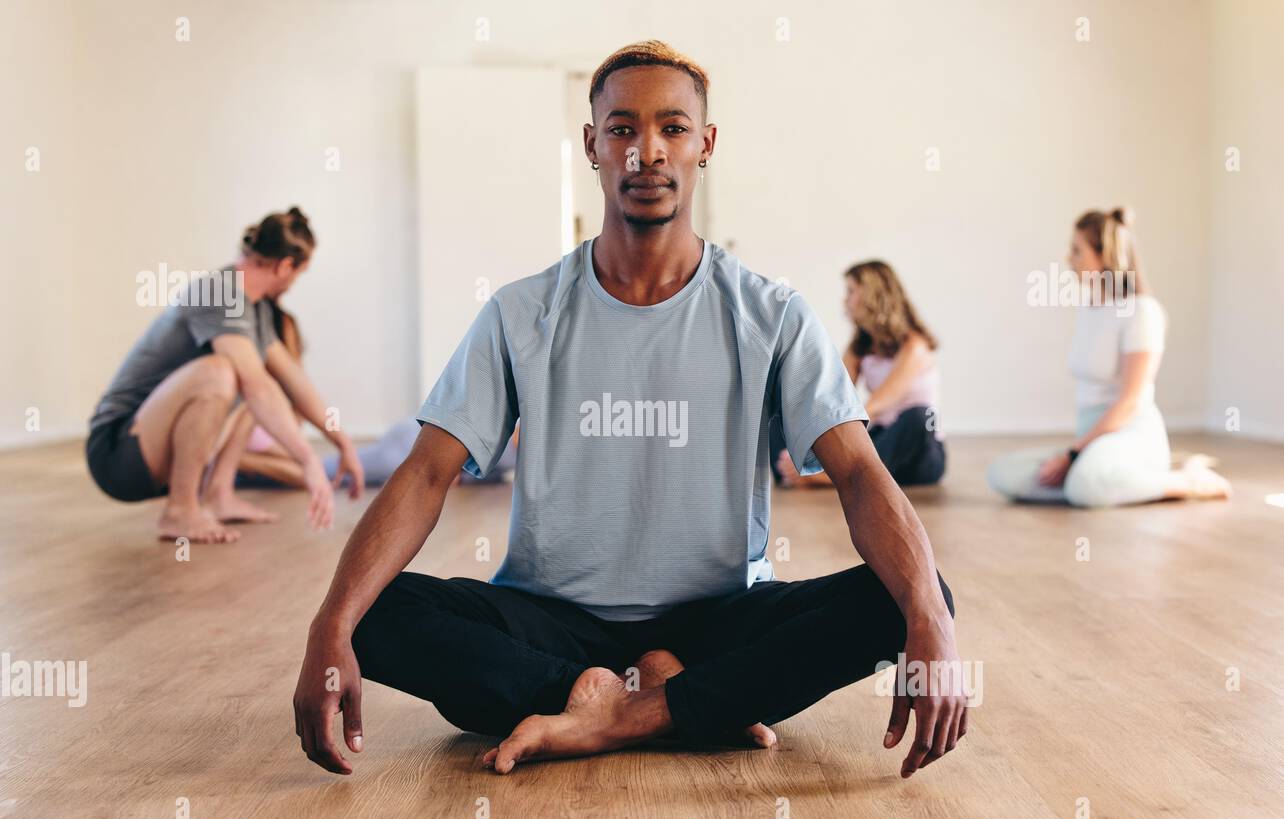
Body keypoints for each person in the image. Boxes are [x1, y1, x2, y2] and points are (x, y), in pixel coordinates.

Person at [293, 40, 969, 780]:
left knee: (911, 593)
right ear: (593, 144)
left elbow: (861, 476)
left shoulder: (770, 313)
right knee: (374, 611)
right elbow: (425, 476)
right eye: (622, 129)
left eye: (673, 128)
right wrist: (330, 626)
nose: (648, 151)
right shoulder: (523, 312)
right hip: (550, 627)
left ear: (704, 145)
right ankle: (657, 703)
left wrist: (926, 617)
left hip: (713, 624)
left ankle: (616, 713)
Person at [86, 207, 364, 543]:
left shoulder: (255, 307)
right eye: (298, 274)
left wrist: (342, 442)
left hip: (150, 448)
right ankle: (180, 511)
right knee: (221, 373)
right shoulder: (220, 292)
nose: (293, 284)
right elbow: (255, 385)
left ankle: (220, 494)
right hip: (118, 454)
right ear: (285, 265)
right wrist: (307, 460)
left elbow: (292, 379)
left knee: (260, 379)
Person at [987, 208, 1231, 507]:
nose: (1069, 259)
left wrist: (1073, 454)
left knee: (1086, 486)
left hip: (1131, 436)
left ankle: (1187, 481)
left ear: (1104, 257)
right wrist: (1076, 453)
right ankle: (1100, 482)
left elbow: (1129, 402)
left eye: (1078, 251)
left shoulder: (1142, 312)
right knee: (1003, 474)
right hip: (1091, 439)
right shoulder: (1090, 309)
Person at [234, 308, 517, 489]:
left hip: (414, 433)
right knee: (322, 474)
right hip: (408, 446)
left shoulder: (525, 433)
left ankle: (241, 465)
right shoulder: (532, 437)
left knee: (321, 467)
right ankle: (239, 465)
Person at [773, 260, 945, 488]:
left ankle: (827, 477)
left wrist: (839, 434)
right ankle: (794, 469)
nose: (845, 300)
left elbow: (880, 402)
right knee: (780, 415)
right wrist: (803, 432)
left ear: (872, 296)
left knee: (920, 416)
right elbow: (832, 396)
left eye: (851, 291)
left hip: (919, 451)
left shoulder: (915, 345)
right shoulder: (860, 348)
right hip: (883, 439)